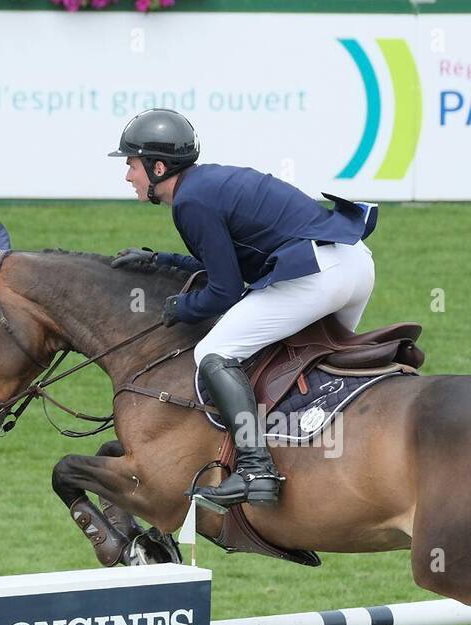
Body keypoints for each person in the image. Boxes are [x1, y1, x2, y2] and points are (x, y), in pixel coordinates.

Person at [109, 108, 378, 509]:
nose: (128, 176)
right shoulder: (203, 186)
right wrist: (159, 260)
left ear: (158, 166)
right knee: (295, 358)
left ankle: (256, 469)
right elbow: (224, 264)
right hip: (354, 264)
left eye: (131, 165)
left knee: (213, 353)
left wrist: (182, 308)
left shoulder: (191, 203)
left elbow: (225, 290)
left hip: (319, 276)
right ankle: (307, 451)